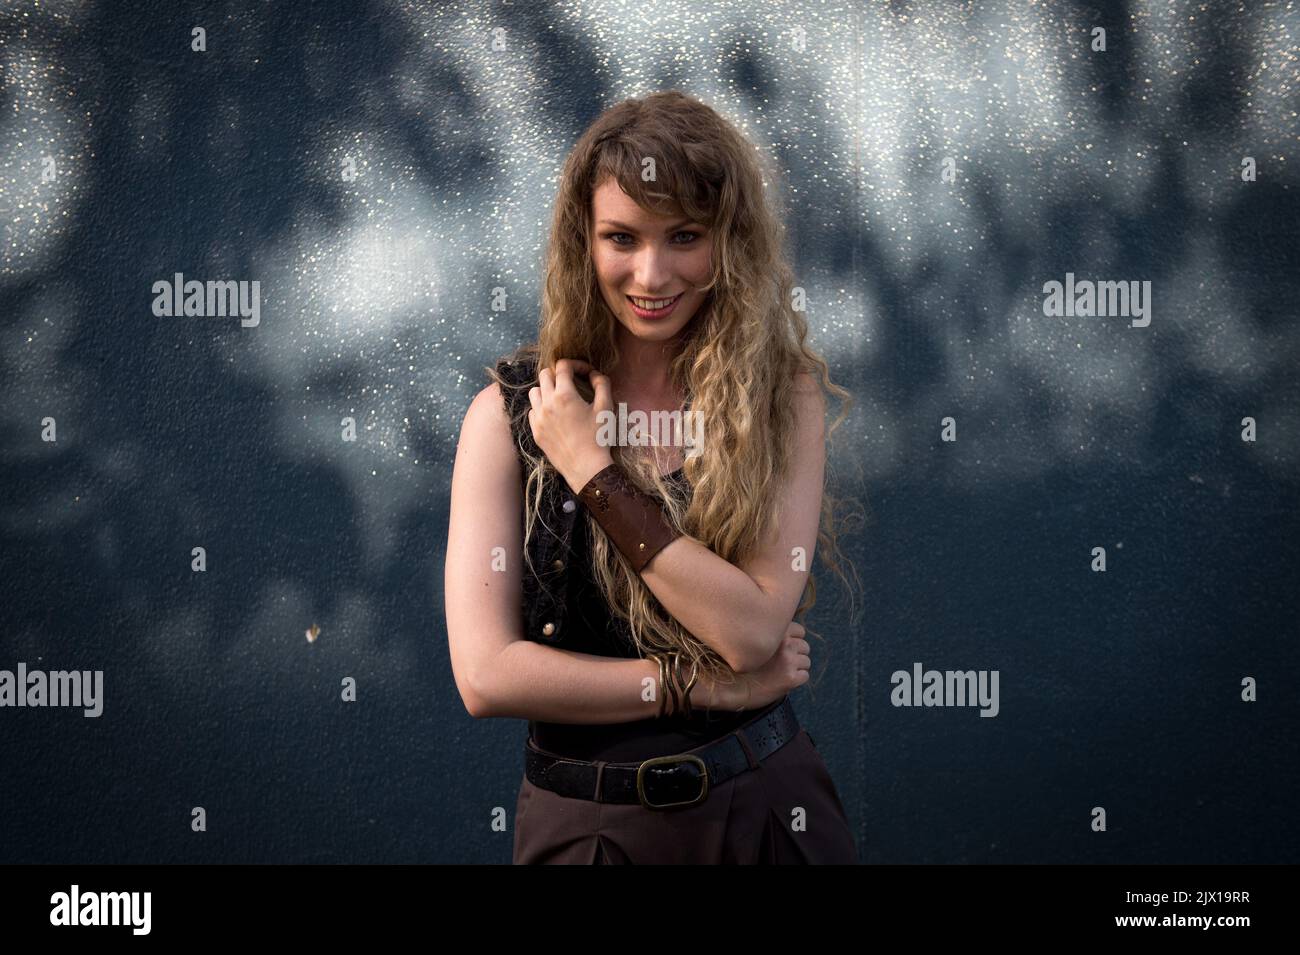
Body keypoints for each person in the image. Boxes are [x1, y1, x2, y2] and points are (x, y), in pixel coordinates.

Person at [445, 90, 861, 864]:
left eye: (684, 236)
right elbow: (486, 674)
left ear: (727, 242)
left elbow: (750, 630)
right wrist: (693, 686)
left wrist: (591, 468)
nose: (651, 271)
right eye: (621, 237)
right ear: (584, 240)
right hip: (591, 833)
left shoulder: (782, 396)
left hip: (767, 814)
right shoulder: (506, 416)